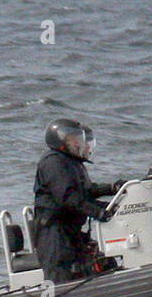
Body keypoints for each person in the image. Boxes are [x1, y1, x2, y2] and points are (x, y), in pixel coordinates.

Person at [33, 118, 125, 284]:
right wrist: (98, 212)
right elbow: (67, 198)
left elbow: (86, 192)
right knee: (60, 274)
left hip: (70, 231)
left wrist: (113, 190)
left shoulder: (72, 163)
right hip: (54, 233)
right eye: (78, 140)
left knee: (88, 265)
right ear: (62, 141)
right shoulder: (53, 162)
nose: (85, 145)